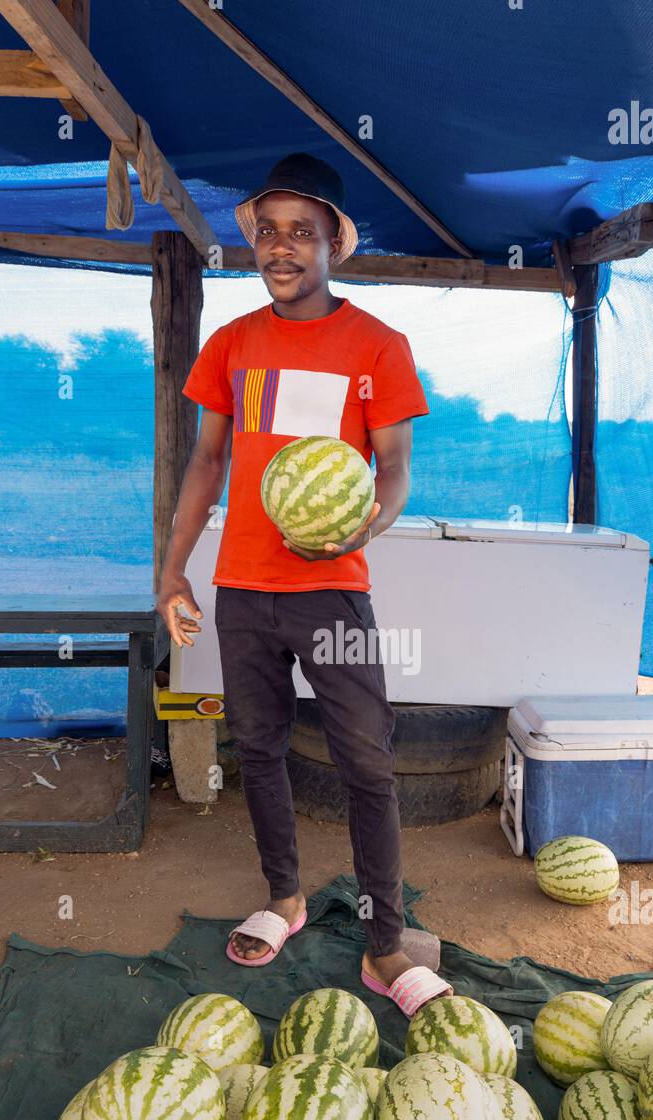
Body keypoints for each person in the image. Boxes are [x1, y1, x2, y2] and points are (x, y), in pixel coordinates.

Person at [157, 152, 452, 1018]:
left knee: (367, 759)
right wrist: (174, 569)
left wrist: (368, 523)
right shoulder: (233, 344)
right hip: (243, 585)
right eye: (269, 231)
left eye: (302, 232)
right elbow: (206, 461)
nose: (281, 247)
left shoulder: (377, 347)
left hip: (334, 590)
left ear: (333, 244)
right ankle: (284, 899)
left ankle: (387, 946)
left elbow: (393, 469)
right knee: (258, 748)